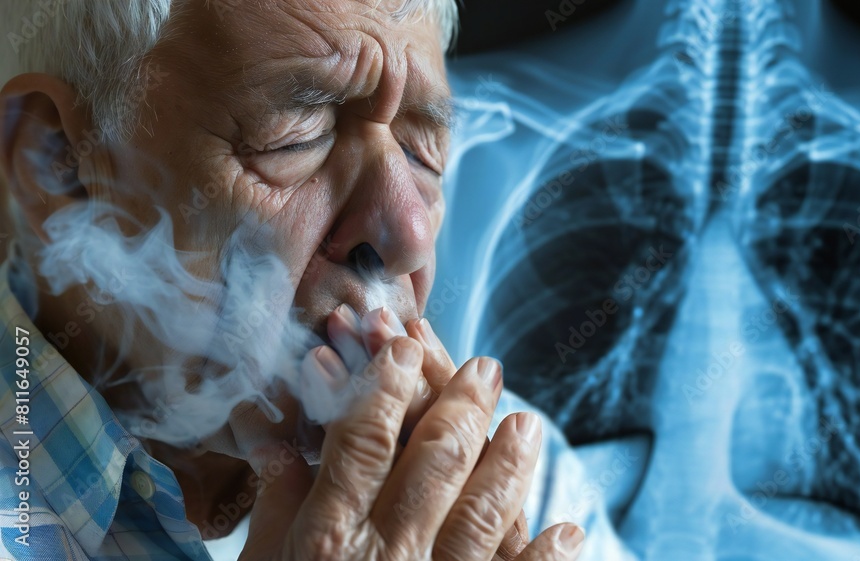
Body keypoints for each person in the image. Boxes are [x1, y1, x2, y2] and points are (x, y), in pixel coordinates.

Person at [0, 1, 590, 559]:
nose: (408, 232)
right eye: (298, 133)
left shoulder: (511, 477)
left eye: (421, 151)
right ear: (58, 164)